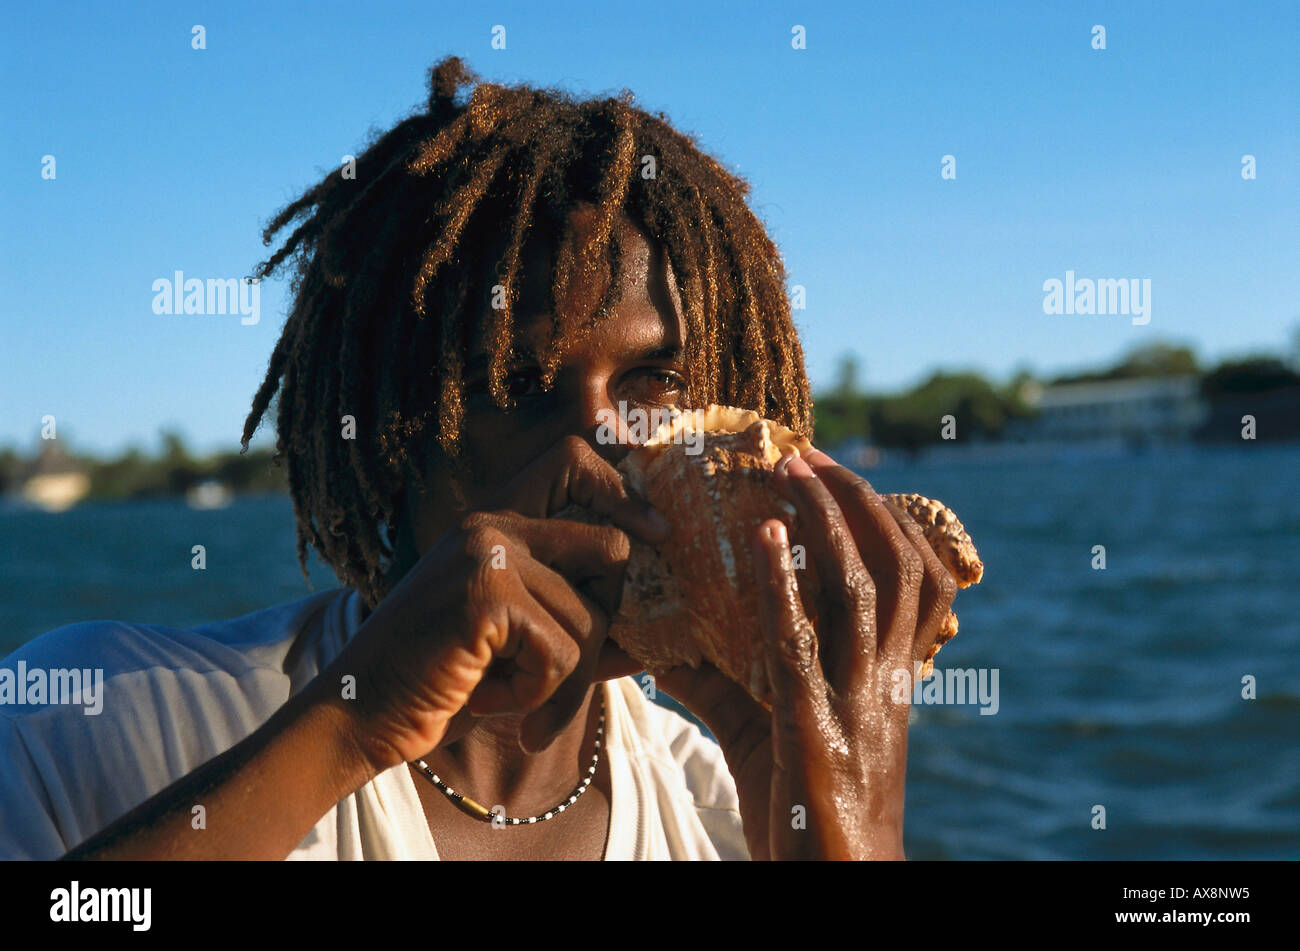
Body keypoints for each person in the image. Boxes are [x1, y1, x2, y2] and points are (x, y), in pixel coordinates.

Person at [0, 56, 956, 860]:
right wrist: (351, 724)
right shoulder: (95, 723)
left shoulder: (724, 803)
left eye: (654, 386)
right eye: (513, 386)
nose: (596, 441)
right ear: (391, 431)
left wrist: (851, 833)